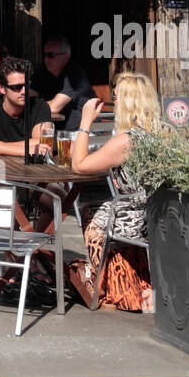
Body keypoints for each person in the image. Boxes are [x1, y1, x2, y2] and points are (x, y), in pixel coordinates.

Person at [67, 72, 161, 313]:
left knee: (91, 212)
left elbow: (79, 166)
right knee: (101, 207)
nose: (114, 102)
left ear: (128, 102)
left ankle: (115, 287)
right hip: (151, 215)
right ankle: (135, 279)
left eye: (117, 97)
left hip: (134, 218)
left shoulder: (127, 141)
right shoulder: (156, 134)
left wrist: (85, 122)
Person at [0, 57, 51, 158]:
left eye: (27, 85)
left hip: (30, 171)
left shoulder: (40, 106)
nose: (24, 91)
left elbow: (41, 143)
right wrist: (25, 150)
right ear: (1, 88)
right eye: (16, 87)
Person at [31, 36, 95, 131]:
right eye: (44, 55)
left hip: (82, 132)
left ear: (65, 57)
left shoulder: (75, 74)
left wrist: (29, 107)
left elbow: (53, 108)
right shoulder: (45, 74)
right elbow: (28, 92)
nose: (46, 59)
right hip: (60, 132)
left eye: (51, 55)